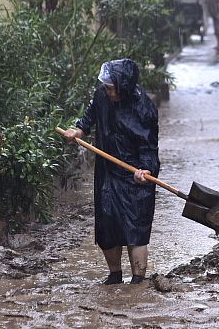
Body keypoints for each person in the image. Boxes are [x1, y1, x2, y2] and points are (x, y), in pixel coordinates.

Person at [61, 59, 159, 285]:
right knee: (107, 225)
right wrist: (78, 130)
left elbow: (149, 147)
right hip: (107, 173)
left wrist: (145, 170)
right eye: (106, 87)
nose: (108, 91)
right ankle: (115, 275)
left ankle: (137, 281)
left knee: (136, 228)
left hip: (135, 176)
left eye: (111, 87)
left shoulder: (144, 107)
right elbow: (88, 117)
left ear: (123, 86)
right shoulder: (102, 96)